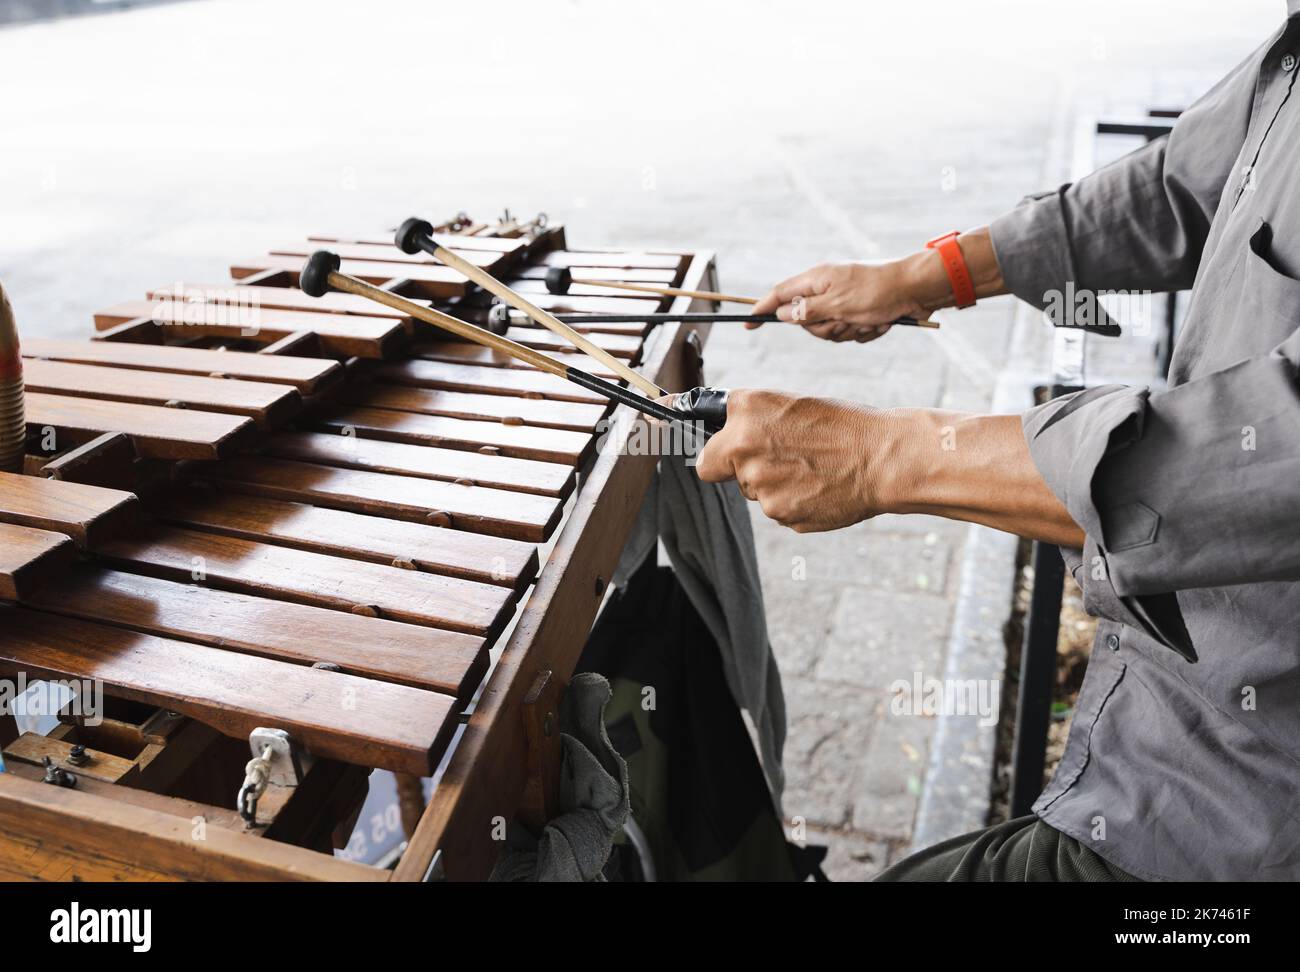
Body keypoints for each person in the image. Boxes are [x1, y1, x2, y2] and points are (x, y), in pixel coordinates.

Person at [695, 5, 1300, 881]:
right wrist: (924, 276)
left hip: (1240, 818)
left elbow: (1272, 450)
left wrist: (883, 457)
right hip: (1164, 735)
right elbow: (1179, 187)